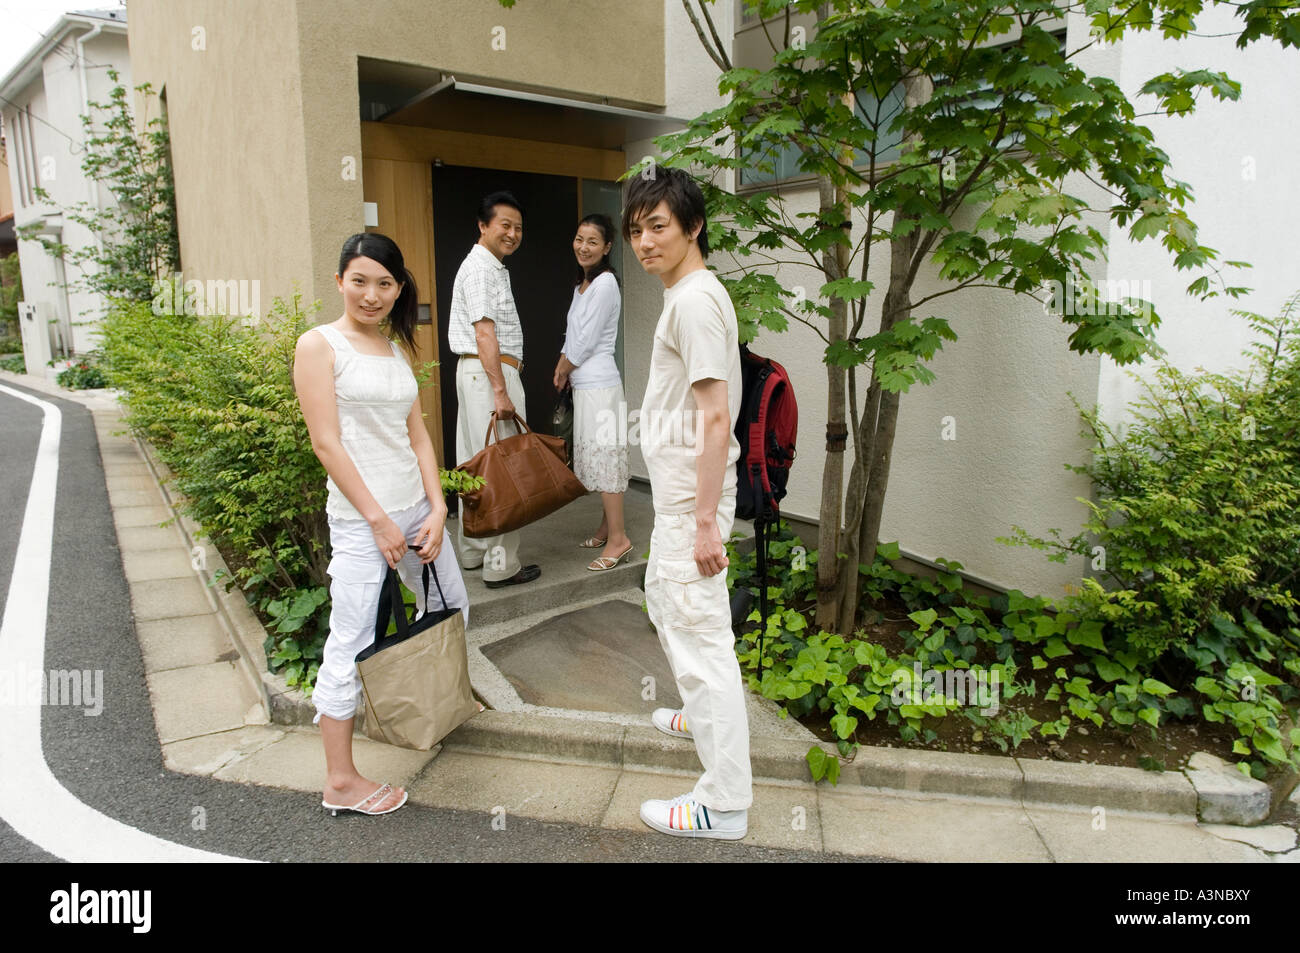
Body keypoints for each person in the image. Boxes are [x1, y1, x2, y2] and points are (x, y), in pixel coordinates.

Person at [294, 232, 470, 817]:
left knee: (450, 608)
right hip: (361, 523)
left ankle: (426, 708)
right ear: (340, 280)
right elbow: (327, 443)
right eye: (360, 280)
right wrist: (377, 520)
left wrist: (439, 506)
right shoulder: (319, 345)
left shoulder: (395, 348)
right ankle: (340, 781)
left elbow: (416, 433)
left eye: (385, 284)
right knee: (352, 641)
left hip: (418, 512)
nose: (372, 295)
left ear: (399, 289)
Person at [625, 166, 752, 839]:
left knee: (702, 641)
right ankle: (699, 712)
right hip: (679, 502)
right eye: (636, 228)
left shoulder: (696, 301)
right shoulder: (688, 294)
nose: (643, 241)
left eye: (658, 226)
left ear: (693, 226)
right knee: (669, 608)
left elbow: (715, 417)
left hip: (689, 507)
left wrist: (704, 523)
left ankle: (722, 803)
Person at [448, 191, 540, 588]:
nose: (513, 233)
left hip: (473, 375)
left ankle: (473, 552)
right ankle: (501, 565)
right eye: (505, 224)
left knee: (474, 465)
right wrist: (500, 391)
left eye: (518, 227)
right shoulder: (483, 268)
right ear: (483, 226)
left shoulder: (482, 266)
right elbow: (484, 332)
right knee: (503, 469)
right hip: (490, 376)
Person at [552, 213, 632, 571]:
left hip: (600, 386)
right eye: (579, 239)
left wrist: (564, 367)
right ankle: (606, 526)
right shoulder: (581, 285)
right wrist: (563, 365)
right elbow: (572, 334)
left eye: (592, 242)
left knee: (606, 461)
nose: (583, 247)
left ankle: (619, 539)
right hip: (585, 386)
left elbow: (584, 341)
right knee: (596, 461)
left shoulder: (605, 284)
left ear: (607, 247)